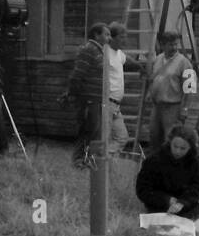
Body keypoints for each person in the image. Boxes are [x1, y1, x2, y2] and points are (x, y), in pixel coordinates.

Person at [61, 23, 110, 168]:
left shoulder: (99, 51)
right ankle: (78, 160)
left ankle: (87, 159)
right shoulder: (89, 50)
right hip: (88, 98)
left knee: (95, 130)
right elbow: (78, 74)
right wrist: (72, 94)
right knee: (88, 129)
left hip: (97, 98)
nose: (109, 37)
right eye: (106, 34)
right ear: (96, 35)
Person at [146, 31, 195, 154]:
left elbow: (190, 88)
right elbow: (153, 79)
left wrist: (185, 109)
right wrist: (149, 92)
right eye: (170, 44)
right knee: (154, 136)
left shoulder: (184, 62)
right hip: (157, 106)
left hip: (173, 107)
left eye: (175, 44)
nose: (174, 47)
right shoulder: (158, 59)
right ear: (163, 45)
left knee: (170, 139)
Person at [107, 22, 146, 157]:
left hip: (115, 105)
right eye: (122, 37)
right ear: (111, 37)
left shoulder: (118, 53)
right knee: (106, 137)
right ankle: (102, 165)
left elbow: (127, 59)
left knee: (122, 137)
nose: (125, 40)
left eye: (125, 36)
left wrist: (139, 66)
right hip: (107, 103)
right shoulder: (105, 53)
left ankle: (106, 162)